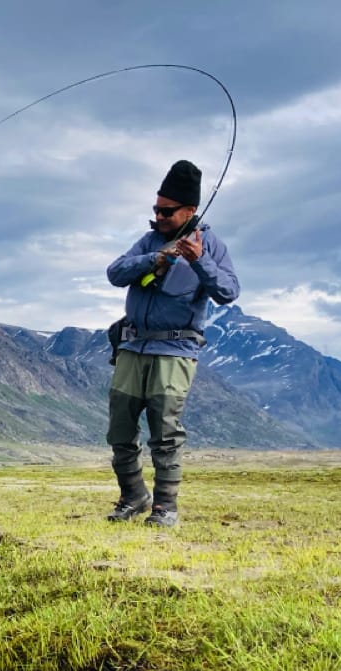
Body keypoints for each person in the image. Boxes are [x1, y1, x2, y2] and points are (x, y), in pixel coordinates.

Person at [105, 160, 239, 527]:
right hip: (132, 347)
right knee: (119, 429)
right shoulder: (149, 240)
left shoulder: (212, 246)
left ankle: (165, 507)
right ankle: (133, 497)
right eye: (156, 209)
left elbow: (228, 291)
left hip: (175, 351)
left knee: (165, 431)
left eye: (167, 211)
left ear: (190, 210)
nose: (159, 217)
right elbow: (115, 272)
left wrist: (199, 261)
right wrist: (155, 258)